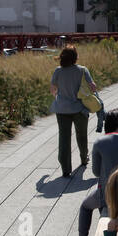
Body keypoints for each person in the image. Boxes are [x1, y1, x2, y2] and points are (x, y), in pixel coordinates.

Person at [49, 44, 96, 177]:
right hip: (80, 108)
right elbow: (93, 87)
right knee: (82, 135)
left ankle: (65, 168)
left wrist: (59, 97)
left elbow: (52, 89)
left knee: (64, 138)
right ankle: (84, 158)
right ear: (75, 57)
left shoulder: (58, 71)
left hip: (62, 109)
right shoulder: (82, 70)